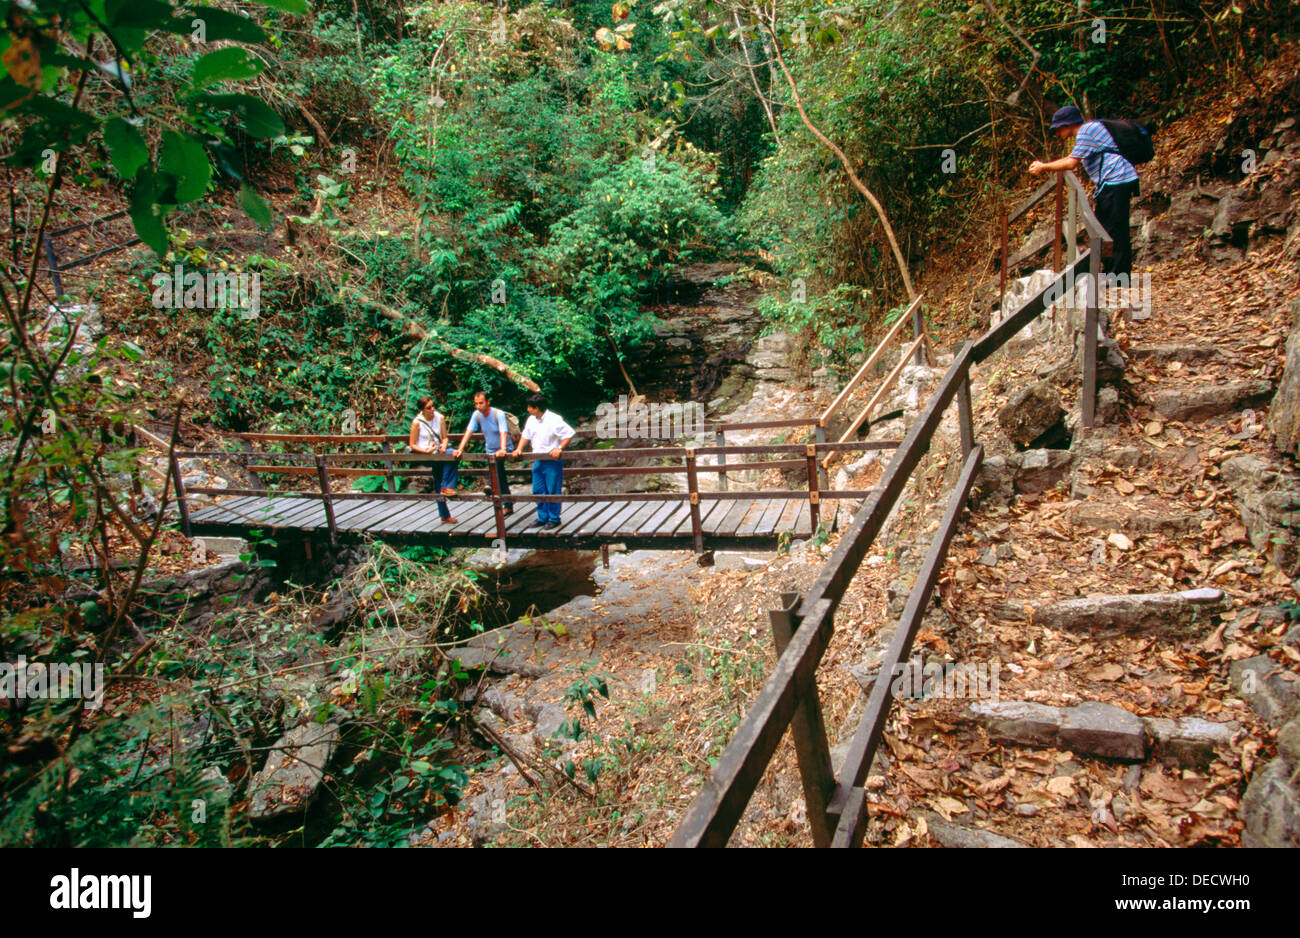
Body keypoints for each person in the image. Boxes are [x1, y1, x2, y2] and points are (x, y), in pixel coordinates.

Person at [1029, 105, 1140, 278]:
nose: (1057, 133)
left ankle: (1119, 276)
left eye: (1058, 129)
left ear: (1068, 124)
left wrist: (1043, 167)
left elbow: (1071, 163)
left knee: (1114, 230)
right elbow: (1071, 158)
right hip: (1111, 183)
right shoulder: (1087, 132)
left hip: (1117, 180)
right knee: (1103, 228)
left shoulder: (1087, 131)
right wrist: (1046, 166)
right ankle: (1112, 272)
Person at [511, 393, 575, 528]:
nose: (527, 409)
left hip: (552, 460)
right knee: (538, 490)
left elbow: (569, 434)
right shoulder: (531, 419)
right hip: (538, 459)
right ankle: (542, 517)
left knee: (553, 490)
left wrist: (559, 448)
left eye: (530, 407)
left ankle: (554, 518)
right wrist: (519, 449)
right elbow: (525, 435)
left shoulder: (554, 419)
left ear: (537, 408)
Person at [452, 390, 514, 514]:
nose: (478, 406)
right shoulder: (477, 415)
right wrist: (460, 449)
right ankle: (507, 504)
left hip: (503, 448)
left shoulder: (498, 414)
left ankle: (491, 486)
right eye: (476, 403)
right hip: (490, 449)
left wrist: (503, 449)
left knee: (497, 472)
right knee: (500, 476)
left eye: (481, 403)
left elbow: (503, 431)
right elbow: (469, 432)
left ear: (488, 402)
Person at [409, 396, 457, 524]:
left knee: (439, 478)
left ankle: (444, 515)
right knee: (452, 454)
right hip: (425, 454)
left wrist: (444, 445)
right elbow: (412, 444)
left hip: (438, 452)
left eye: (433, 406)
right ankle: (446, 486)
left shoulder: (439, 418)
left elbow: (445, 438)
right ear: (421, 410)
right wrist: (426, 451)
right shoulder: (417, 422)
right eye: (428, 408)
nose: (432, 409)